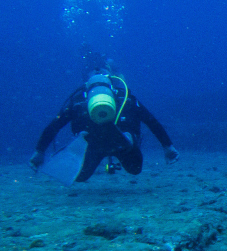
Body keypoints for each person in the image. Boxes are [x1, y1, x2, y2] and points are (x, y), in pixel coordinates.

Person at [30, 54, 178, 182]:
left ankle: (84, 138)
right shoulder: (125, 96)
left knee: (81, 176)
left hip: (93, 143)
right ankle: (127, 137)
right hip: (121, 144)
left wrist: (39, 151)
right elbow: (151, 121)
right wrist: (168, 146)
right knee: (134, 168)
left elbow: (54, 126)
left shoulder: (78, 100)